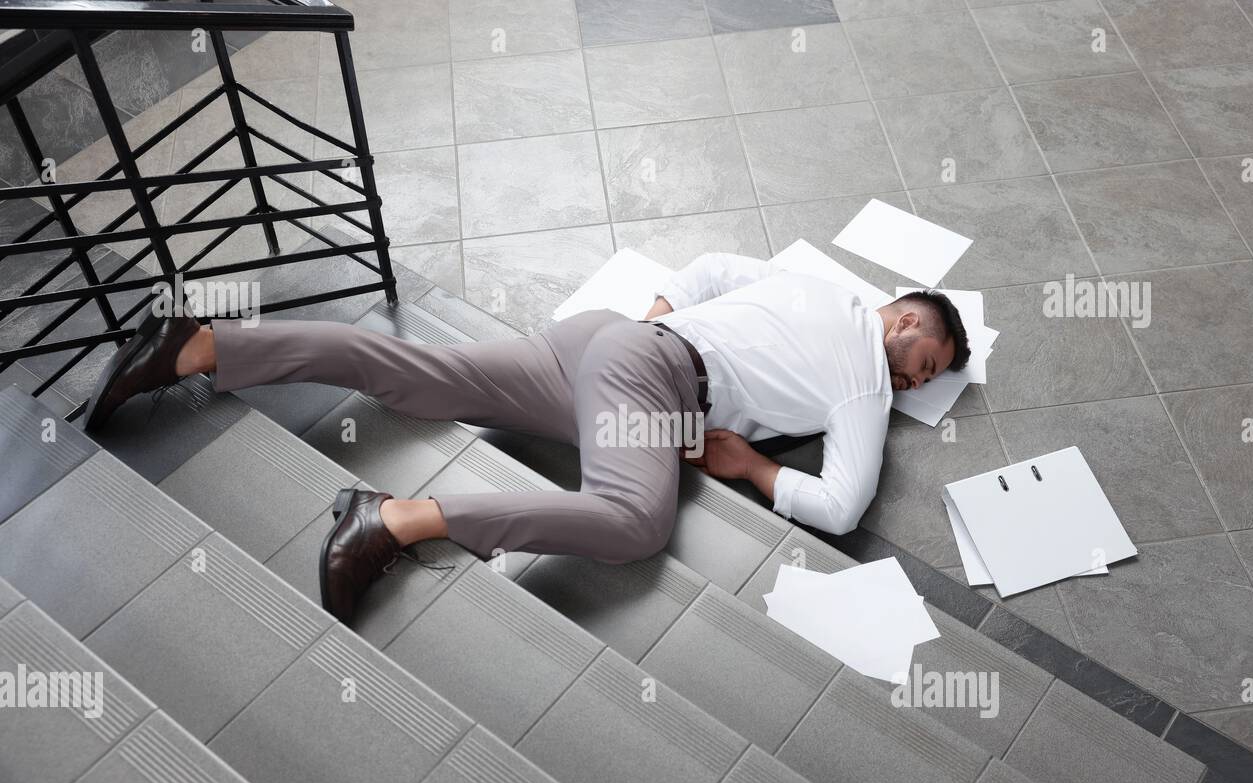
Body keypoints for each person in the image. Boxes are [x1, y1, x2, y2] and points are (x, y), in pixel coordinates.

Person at [84, 253, 970, 621]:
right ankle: (393, 521)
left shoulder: (808, 282)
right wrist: (748, 464)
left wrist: (649, 322)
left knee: (425, 379)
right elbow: (845, 506)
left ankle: (197, 345)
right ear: (897, 317)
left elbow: (702, 269)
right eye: (920, 355)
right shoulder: (862, 376)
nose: (912, 379)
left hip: (603, 345)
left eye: (926, 379)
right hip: (649, 383)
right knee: (634, 522)